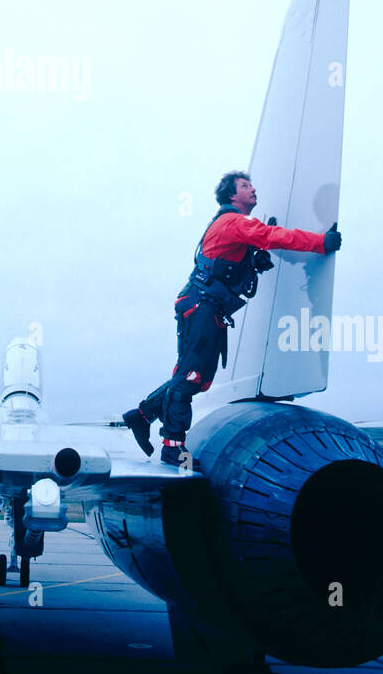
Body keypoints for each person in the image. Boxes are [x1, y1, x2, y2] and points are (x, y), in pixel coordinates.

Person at [123, 171, 342, 467]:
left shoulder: (229, 225)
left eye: (251, 185)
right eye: (244, 186)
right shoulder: (234, 222)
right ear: (231, 195)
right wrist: (321, 243)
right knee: (191, 378)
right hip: (201, 306)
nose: (252, 189)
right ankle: (172, 447)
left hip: (203, 306)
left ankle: (142, 415)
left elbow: (249, 250)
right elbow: (274, 237)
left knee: (194, 377)